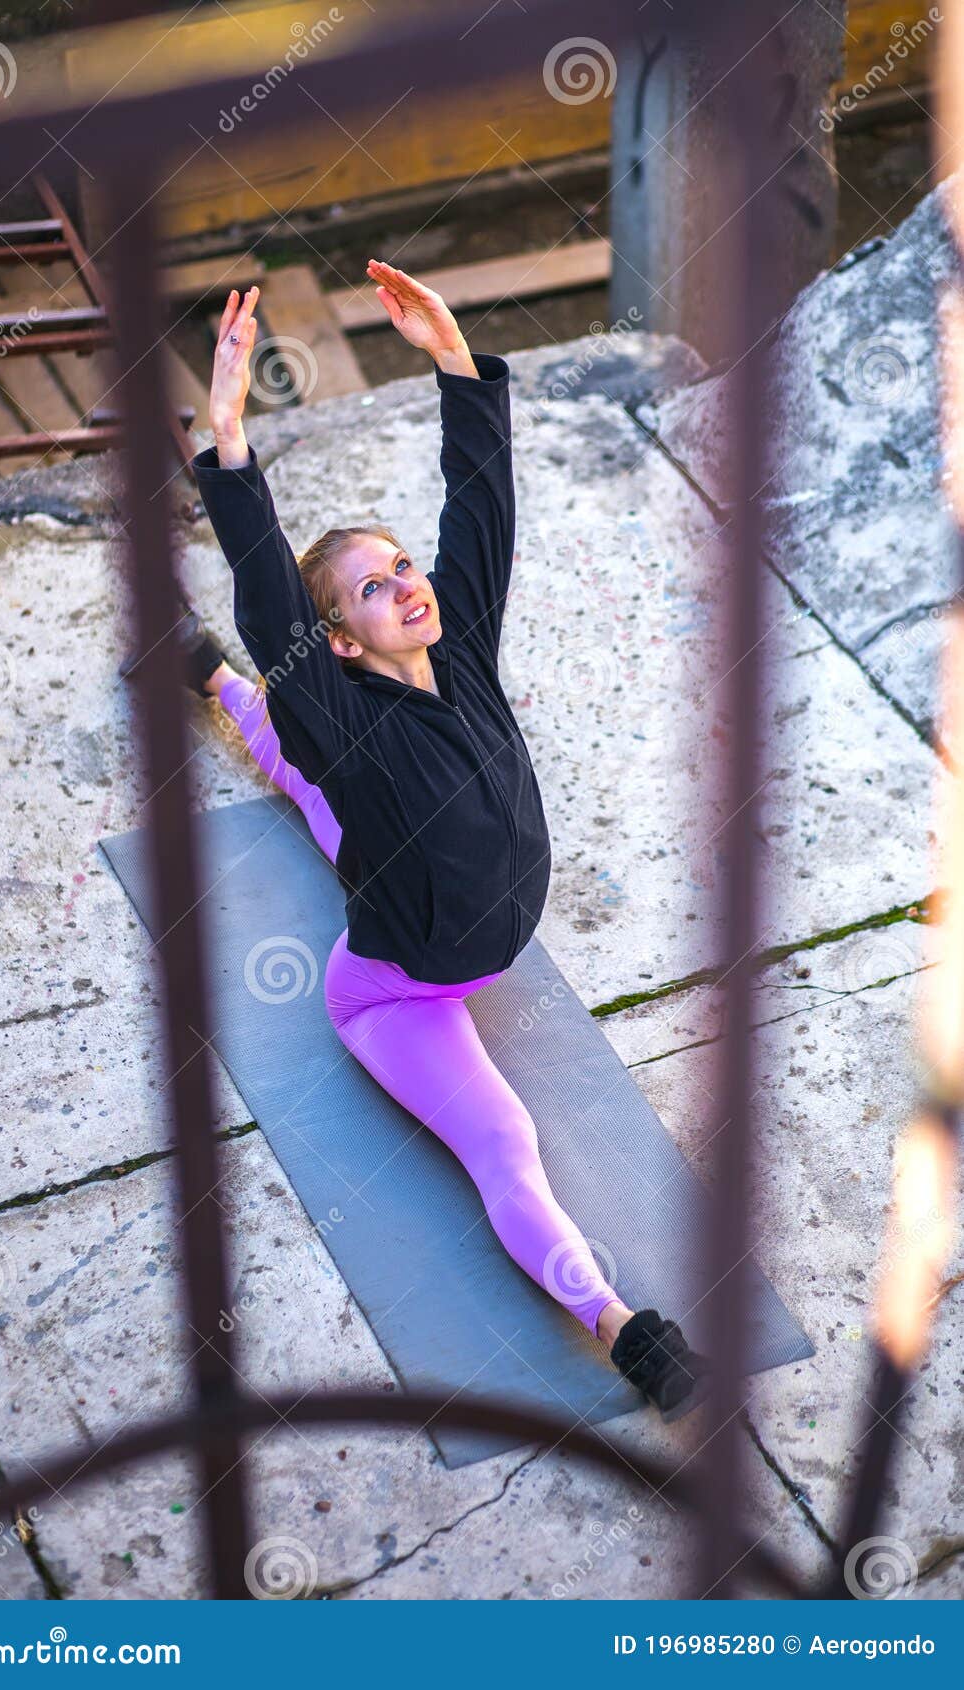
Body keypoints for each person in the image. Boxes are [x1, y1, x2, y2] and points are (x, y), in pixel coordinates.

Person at [160, 264, 709, 1420]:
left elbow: (478, 505)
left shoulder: (460, 651)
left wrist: (455, 360)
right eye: (372, 589)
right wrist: (229, 444)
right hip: (395, 989)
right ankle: (621, 1326)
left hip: (406, 863)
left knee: (319, 798)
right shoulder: (344, 714)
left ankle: (207, 676)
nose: (405, 585)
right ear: (340, 642)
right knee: (503, 1137)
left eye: (401, 564)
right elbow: (274, 602)